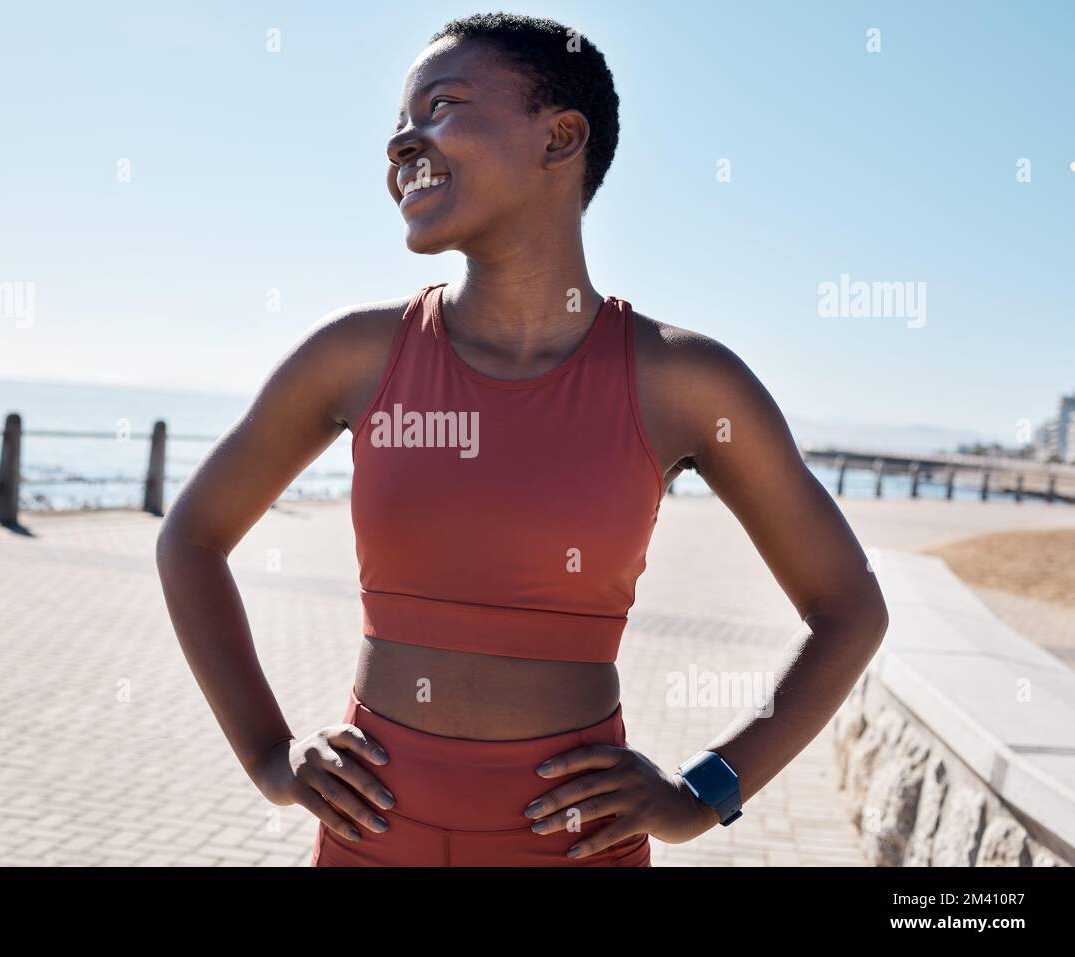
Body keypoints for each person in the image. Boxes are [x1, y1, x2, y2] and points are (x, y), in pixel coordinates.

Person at [155, 12, 889, 867]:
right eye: (399, 123)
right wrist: (269, 757)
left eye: (441, 106)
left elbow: (849, 609)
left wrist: (702, 793)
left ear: (560, 138)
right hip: (369, 834)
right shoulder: (353, 356)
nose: (402, 143)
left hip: (576, 846)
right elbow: (192, 540)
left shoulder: (685, 380)